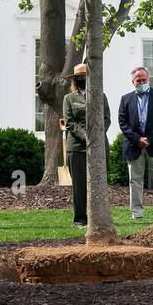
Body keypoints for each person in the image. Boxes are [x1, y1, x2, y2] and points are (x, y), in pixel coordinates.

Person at [117, 65, 153, 219]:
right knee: (135, 180)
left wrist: (149, 138)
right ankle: (137, 213)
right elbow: (122, 122)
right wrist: (137, 139)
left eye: (143, 79)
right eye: (138, 80)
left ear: (149, 79)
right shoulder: (125, 99)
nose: (141, 82)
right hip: (134, 146)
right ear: (132, 82)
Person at [60, 63, 105, 228]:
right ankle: (80, 217)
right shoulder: (69, 99)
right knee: (79, 185)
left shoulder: (100, 95)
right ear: (75, 80)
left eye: (84, 77)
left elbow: (106, 118)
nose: (82, 80)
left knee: (98, 184)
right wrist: (84, 135)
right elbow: (69, 122)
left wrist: (96, 137)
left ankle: (98, 216)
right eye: (79, 78)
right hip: (77, 147)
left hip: (98, 147)